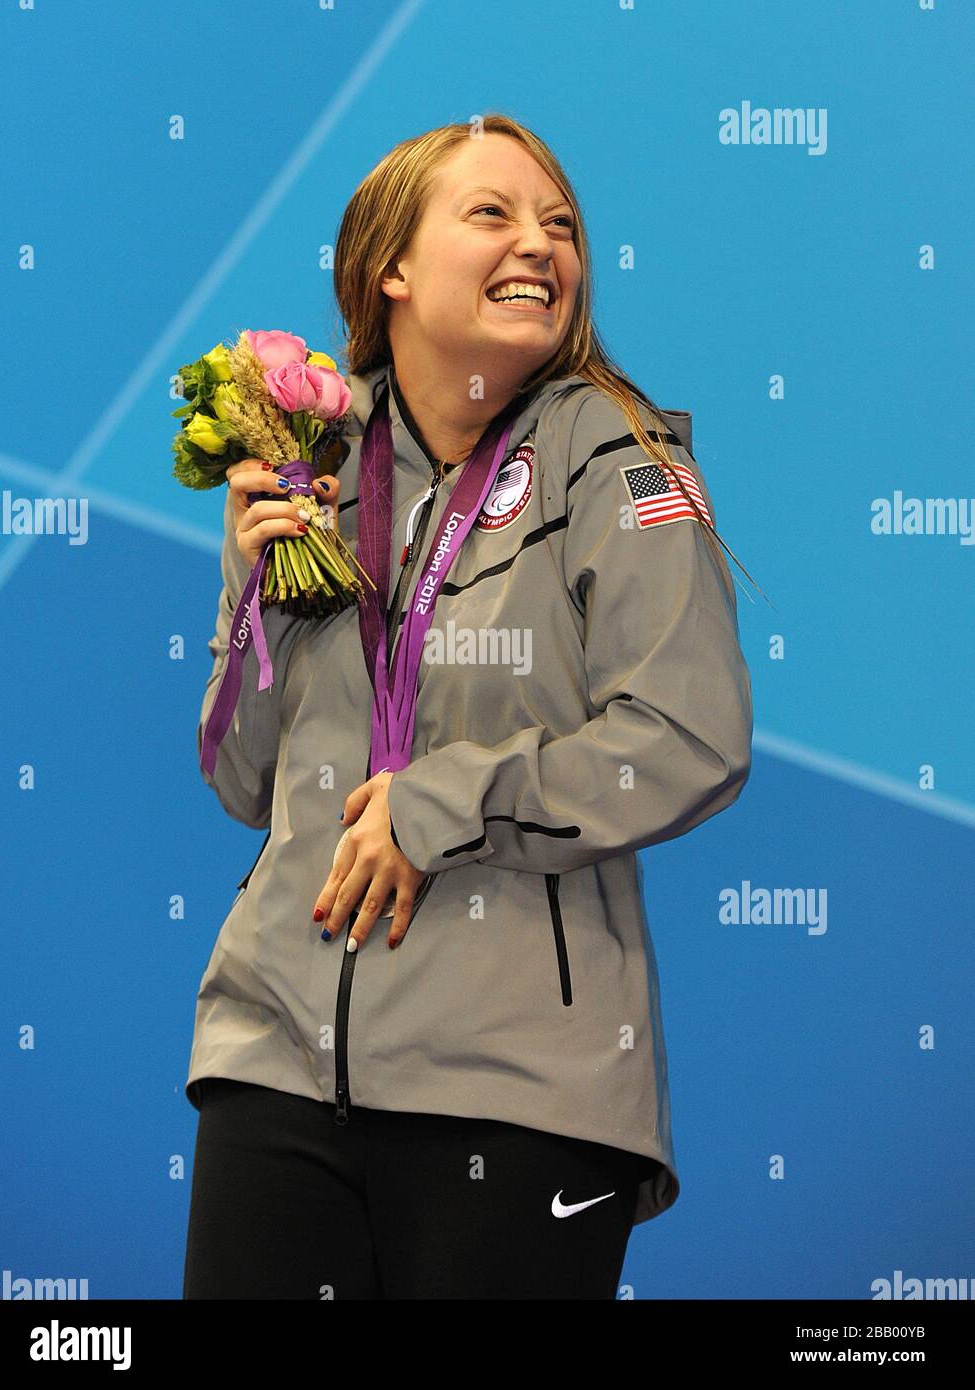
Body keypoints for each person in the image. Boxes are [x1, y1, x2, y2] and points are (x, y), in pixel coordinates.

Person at [182, 115, 754, 1301]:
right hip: (273, 1060)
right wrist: (250, 586)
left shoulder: (620, 458)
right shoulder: (316, 465)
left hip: (519, 1088)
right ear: (390, 266)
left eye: (559, 225)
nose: (539, 244)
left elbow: (688, 738)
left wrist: (442, 803)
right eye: (492, 214)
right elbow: (243, 783)